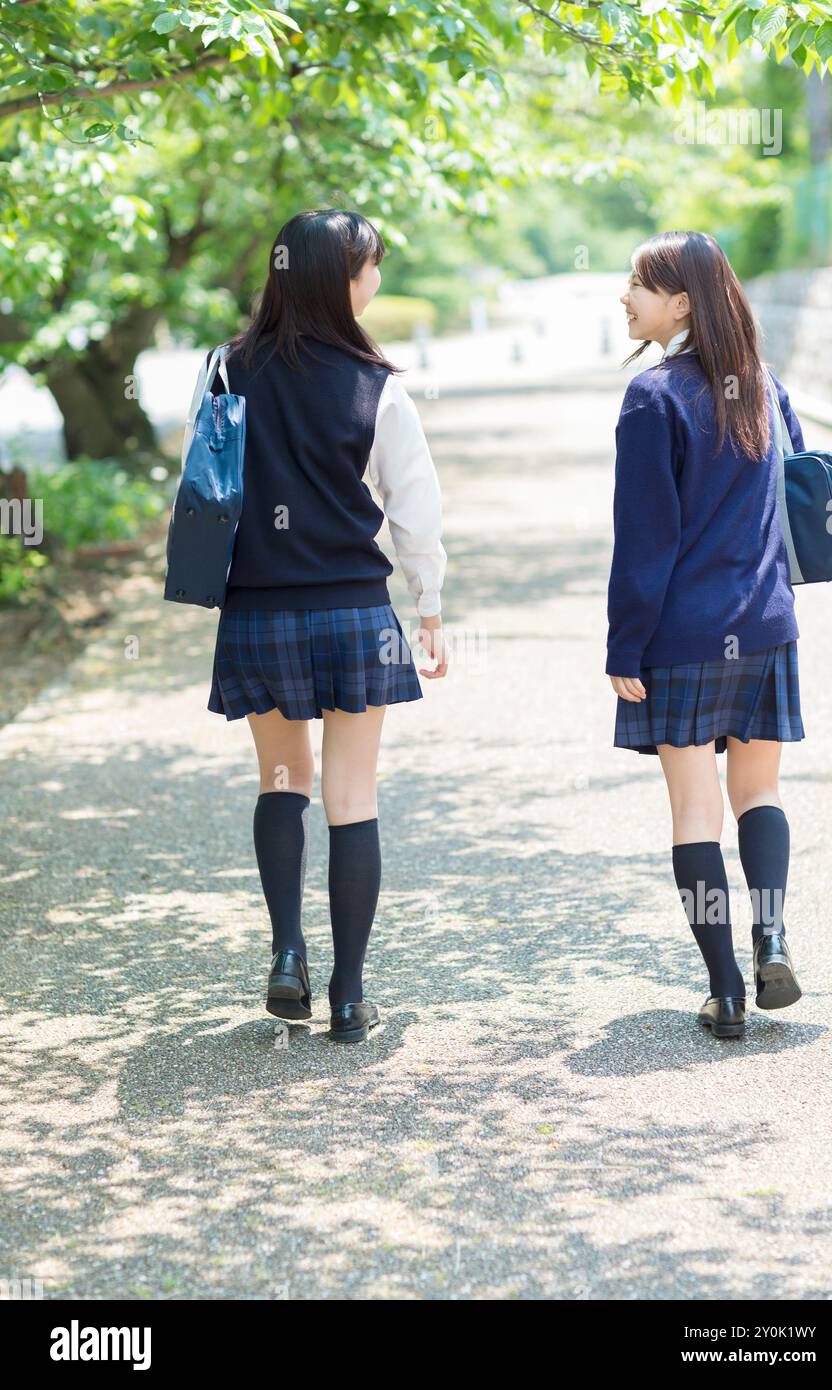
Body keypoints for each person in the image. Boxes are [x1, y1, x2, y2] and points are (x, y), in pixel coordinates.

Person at [189, 208, 448, 1043]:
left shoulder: (226, 370)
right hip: (353, 612)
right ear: (339, 278)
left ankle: (288, 955)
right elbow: (413, 506)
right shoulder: (377, 382)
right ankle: (349, 993)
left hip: (260, 609)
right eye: (368, 266)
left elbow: (199, 485)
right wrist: (430, 603)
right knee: (350, 794)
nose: (375, 280)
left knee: (280, 781)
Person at [607, 229, 804, 1040]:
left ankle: (725, 990)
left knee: (695, 813)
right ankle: (774, 938)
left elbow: (645, 540)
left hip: (683, 638)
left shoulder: (653, 398)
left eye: (638, 286)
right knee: (758, 794)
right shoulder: (762, 383)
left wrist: (624, 645)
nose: (624, 297)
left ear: (680, 302)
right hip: (765, 627)